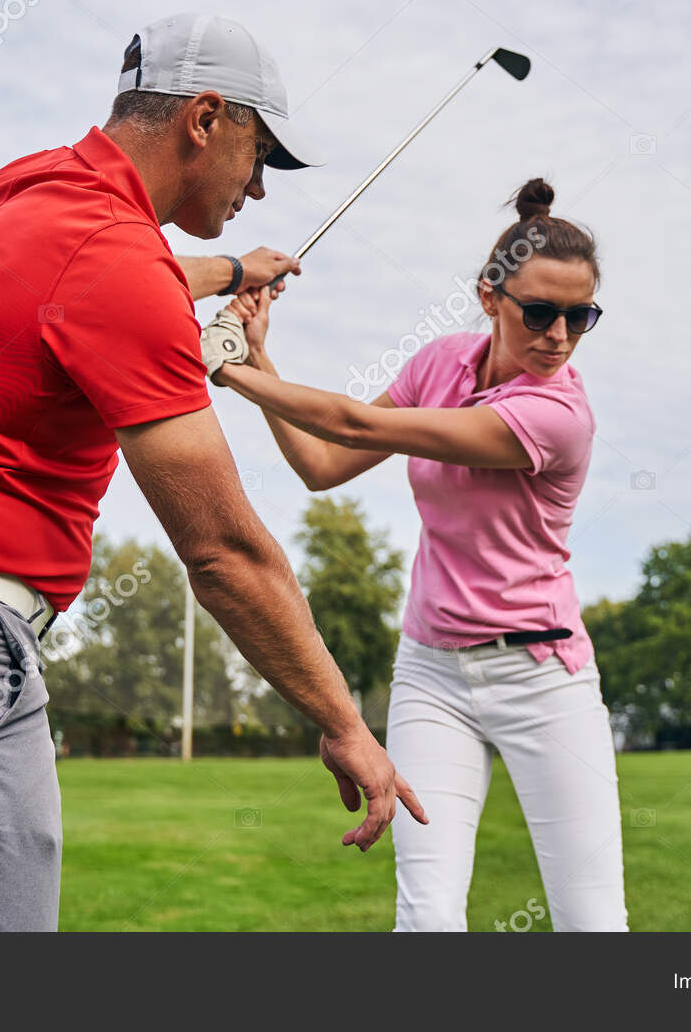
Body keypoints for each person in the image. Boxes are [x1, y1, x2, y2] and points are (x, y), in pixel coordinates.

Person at [0, 13, 425, 933]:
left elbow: (111, 272)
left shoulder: (24, 189)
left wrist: (230, 270)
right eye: (262, 153)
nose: (259, 183)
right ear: (204, 117)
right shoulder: (116, 261)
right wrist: (343, 721)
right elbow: (224, 554)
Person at [211, 178, 627, 931]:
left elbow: (358, 428)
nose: (559, 334)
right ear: (491, 296)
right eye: (540, 311)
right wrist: (260, 359)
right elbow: (323, 464)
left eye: (580, 316)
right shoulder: (441, 362)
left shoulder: (558, 414)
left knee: (591, 923)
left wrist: (227, 369)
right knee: (426, 919)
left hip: (542, 677)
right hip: (432, 674)